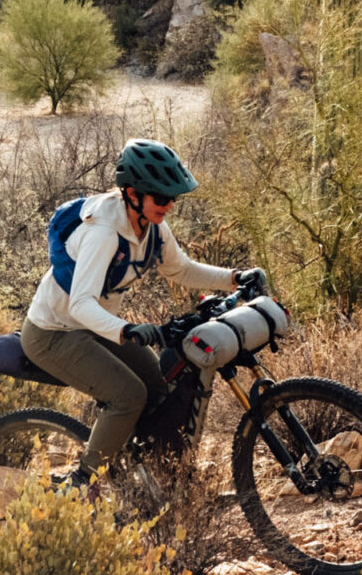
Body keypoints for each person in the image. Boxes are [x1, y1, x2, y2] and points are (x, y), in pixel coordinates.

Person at [20, 138, 266, 484]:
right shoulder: (103, 231)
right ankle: (83, 481)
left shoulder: (152, 226)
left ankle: (141, 476)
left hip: (95, 326)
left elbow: (180, 269)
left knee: (159, 389)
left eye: (173, 198)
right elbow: (80, 303)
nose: (170, 206)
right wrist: (127, 330)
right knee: (128, 396)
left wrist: (235, 277)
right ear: (133, 194)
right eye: (162, 198)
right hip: (54, 333)